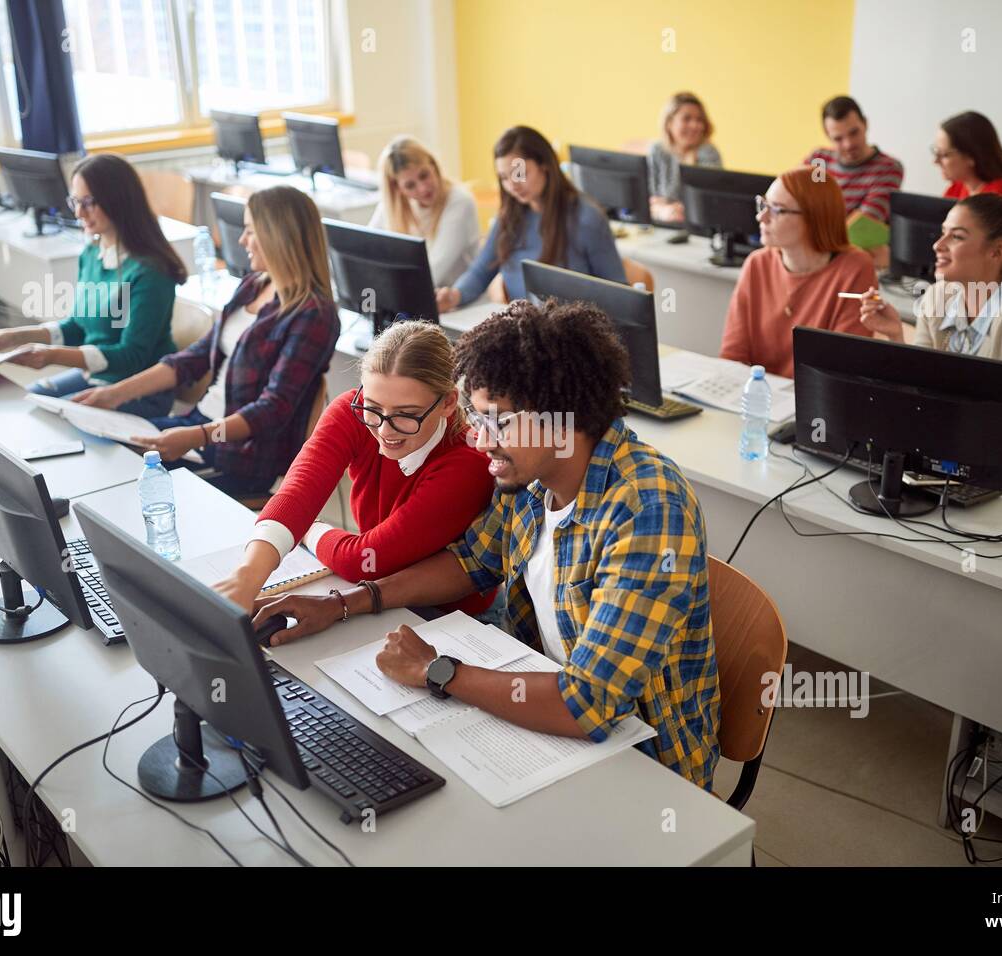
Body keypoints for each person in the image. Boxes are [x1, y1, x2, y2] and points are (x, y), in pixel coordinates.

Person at [250, 300, 721, 790]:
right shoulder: (535, 480)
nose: (478, 441)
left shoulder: (645, 508)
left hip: (644, 763)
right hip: (536, 709)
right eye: (480, 418)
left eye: (498, 422)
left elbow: (589, 705)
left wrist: (436, 670)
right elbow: (471, 561)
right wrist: (343, 604)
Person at [213, 320, 497, 616]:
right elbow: (298, 491)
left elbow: (363, 560)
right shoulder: (354, 412)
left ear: (448, 403)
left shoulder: (468, 463)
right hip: (374, 595)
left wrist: (309, 527)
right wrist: (246, 577)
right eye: (374, 407)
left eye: (406, 415)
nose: (385, 429)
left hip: (451, 618)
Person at [71, 186, 340, 496]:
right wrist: (112, 395)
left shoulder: (314, 315)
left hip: (239, 455)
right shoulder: (253, 285)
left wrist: (196, 436)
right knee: (100, 447)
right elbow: (194, 358)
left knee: (121, 476)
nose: (241, 241)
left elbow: (271, 409)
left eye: (250, 231)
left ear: (278, 237)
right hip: (202, 426)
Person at [0, 153, 185, 417]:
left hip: (137, 390)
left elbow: (130, 357)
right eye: (75, 201)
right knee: (25, 408)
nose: (79, 212)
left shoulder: (151, 272)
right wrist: (17, 336)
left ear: (119, 201)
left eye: (89, 202)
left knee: (48, 418)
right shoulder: (92, 253)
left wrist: (53, 355)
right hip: (98, 378)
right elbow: (77, 326)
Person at [858, 193, 1002, 448]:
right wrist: (896, 336)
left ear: (996, 252)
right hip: (956, 445)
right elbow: (918, 389)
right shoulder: (938, 295)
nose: (938, 245)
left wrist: (936, 417)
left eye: (956, 237)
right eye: (942, 232)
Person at [436, 126, 626, 311]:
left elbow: (619, 294)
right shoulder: (509, 218)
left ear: (544, 165)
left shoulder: (587, 219)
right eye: (504, 177)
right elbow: (480, 272)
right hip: (525, 330)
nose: (512, 185)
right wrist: (454, 296)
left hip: (574, 334)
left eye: (520, 173)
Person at [719, 167, 877, 377]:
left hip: (816, 404)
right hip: (760, 397)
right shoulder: (757, 264)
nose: (761, 217)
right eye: (763, 205)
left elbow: (844, 370)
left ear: (814, 218)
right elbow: (733, 355)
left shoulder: (855, 268)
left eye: (777, 210)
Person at [803, 95, 904, 263]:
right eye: (838, 138)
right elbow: (809, 204)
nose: (848, 144)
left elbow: (863, 224)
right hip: (815, 255)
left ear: (865, 124)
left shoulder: (888, 168)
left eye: (854, 132)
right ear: (828, 136)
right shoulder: (820, 160)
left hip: (852, 259)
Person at [369, 136, 480, 287]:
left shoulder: (459, 202)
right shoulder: (392, 207)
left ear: (433, 165)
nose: (423, 188)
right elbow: (368, 249)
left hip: (460, 301)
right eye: (410, 185)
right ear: (398, 189)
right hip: (420, 296)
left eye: (424, 175)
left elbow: (434, 271)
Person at [934, 111, 1002, 221]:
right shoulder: (956, 189)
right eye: (935, 152)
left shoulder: (1001, 197)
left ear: (971, 156)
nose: (935, 161)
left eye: (944, 155)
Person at [647, 91, 723, 223]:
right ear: (669, 123)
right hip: (662, 222)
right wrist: (662, 210)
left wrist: (689, 160)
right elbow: (650, 197)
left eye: (699, 120)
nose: (695, 125)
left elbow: (709, 202)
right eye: (687, 119)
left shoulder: (709, 152)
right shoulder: (657, 150)